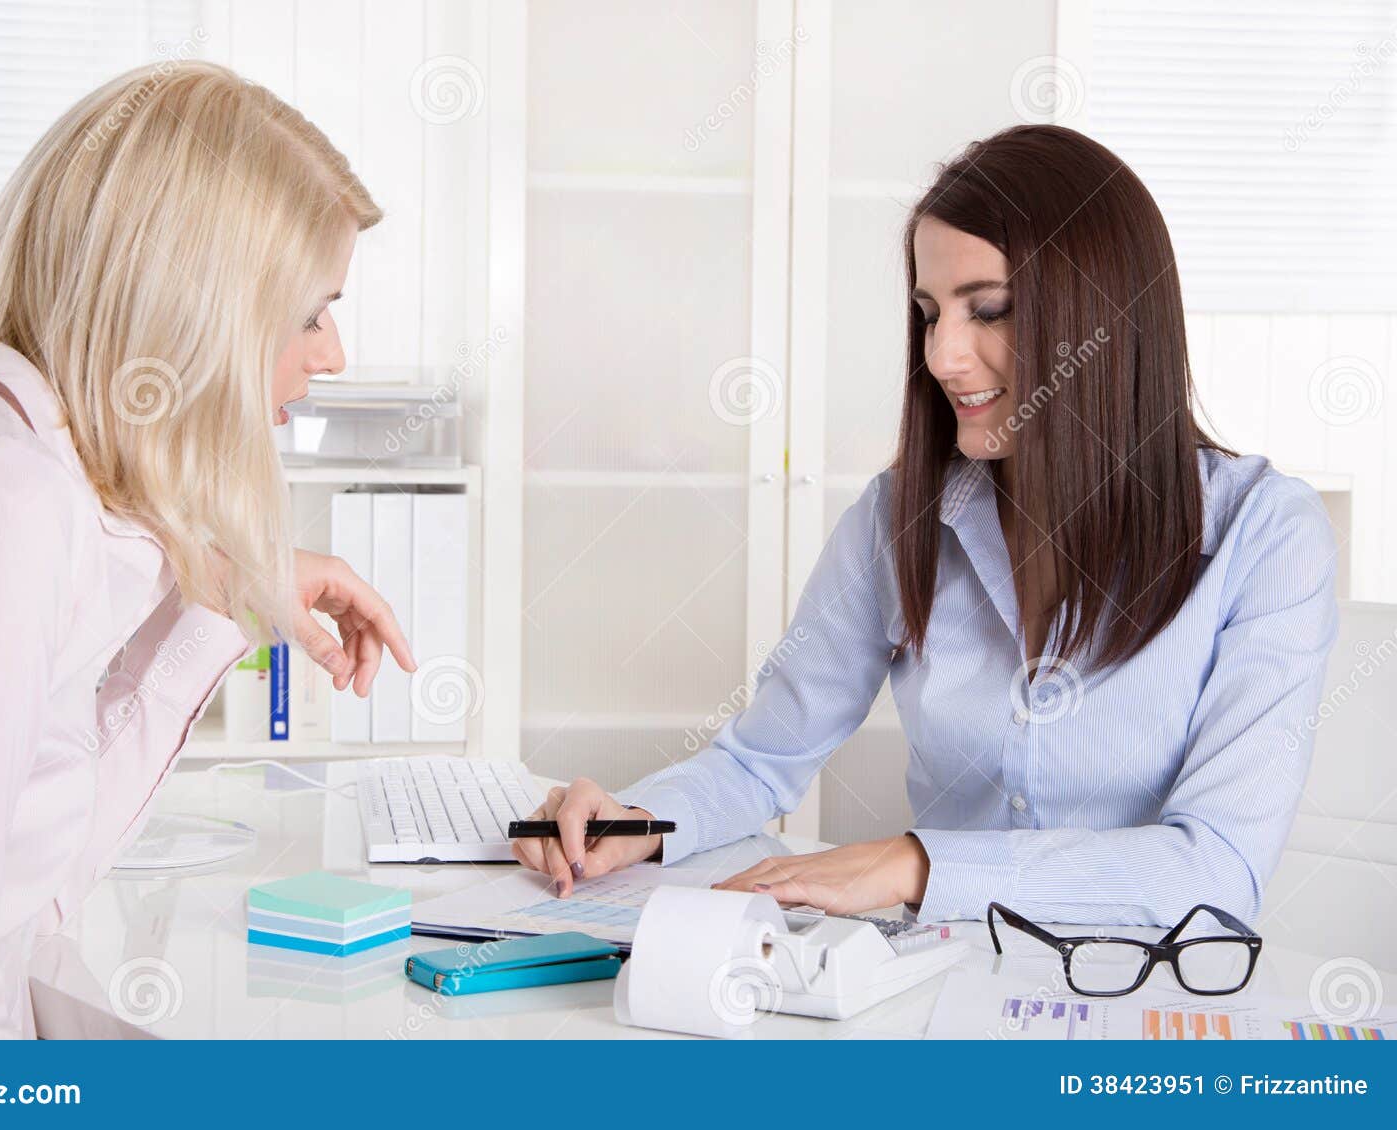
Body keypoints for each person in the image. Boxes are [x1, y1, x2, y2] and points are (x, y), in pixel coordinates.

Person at [514, 125, 1339, 929]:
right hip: (935, 987)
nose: (942, 356)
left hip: (1143, 1005)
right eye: (929, 313)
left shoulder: (1263, 536)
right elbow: (759, 759)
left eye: (990, 310)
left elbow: (1217, 870)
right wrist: (633, 825)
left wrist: (916, 864)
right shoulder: (897, 514)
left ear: (1105, 321)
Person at [0, 62, 413, 1037]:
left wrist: (227, 589)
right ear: (192, 305)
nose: (331, 351)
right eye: (309, 310)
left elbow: (22, 888)